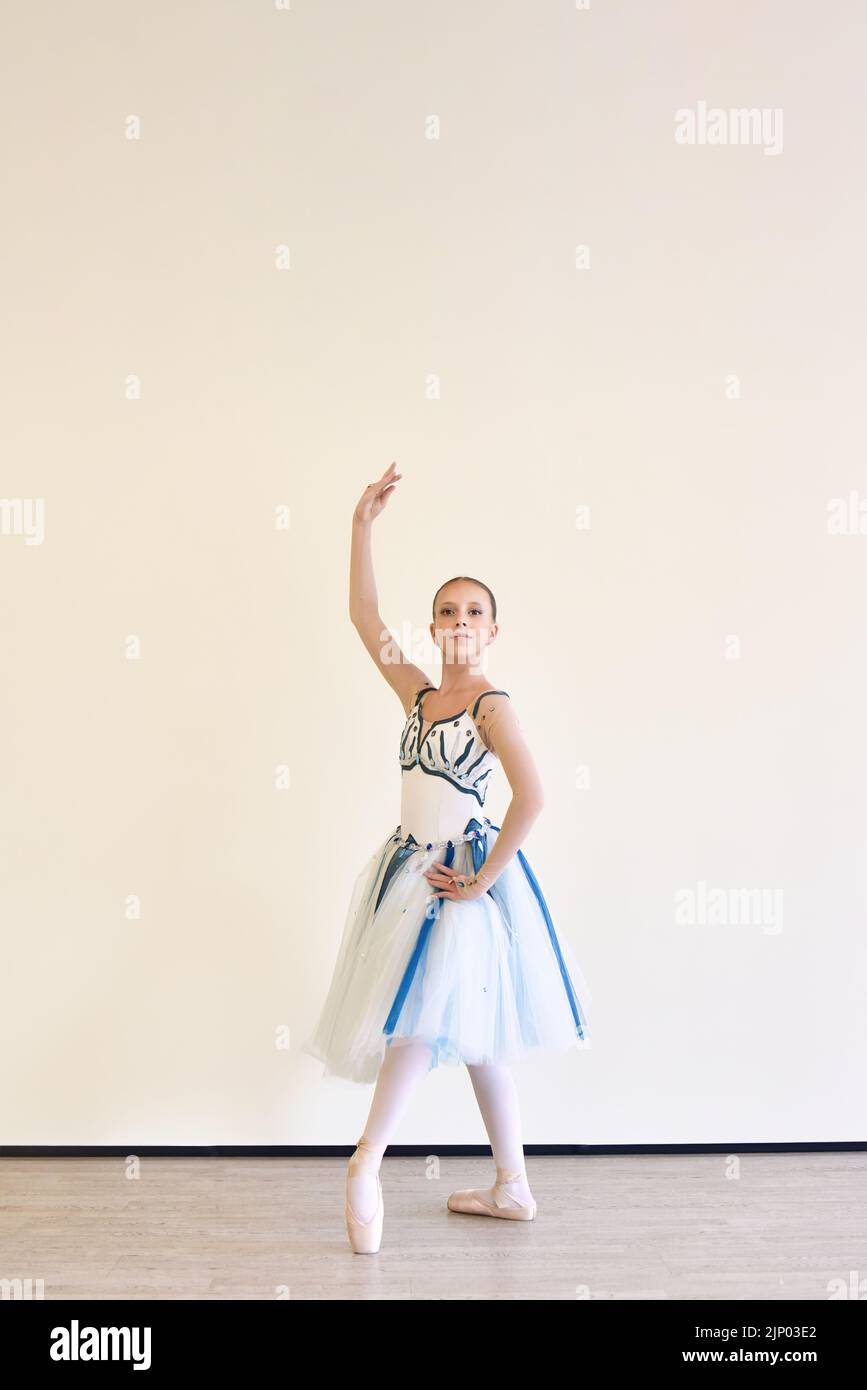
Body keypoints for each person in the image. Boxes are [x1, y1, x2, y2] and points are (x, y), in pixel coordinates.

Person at [302, 462, 591, 1253]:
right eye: (444, 612)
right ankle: (512, 1186)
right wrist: (360, 525)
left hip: (454, 883)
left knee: (421, 1023)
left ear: (491, 630)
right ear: (431, 629)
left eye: (473, 612)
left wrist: (480, 881)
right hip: (408, 874)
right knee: (471, 1034)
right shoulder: (419, 695)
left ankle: (365, 1162)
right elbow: (362, 616)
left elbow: (530, 798)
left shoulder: (492, 706)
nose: (458, 621)